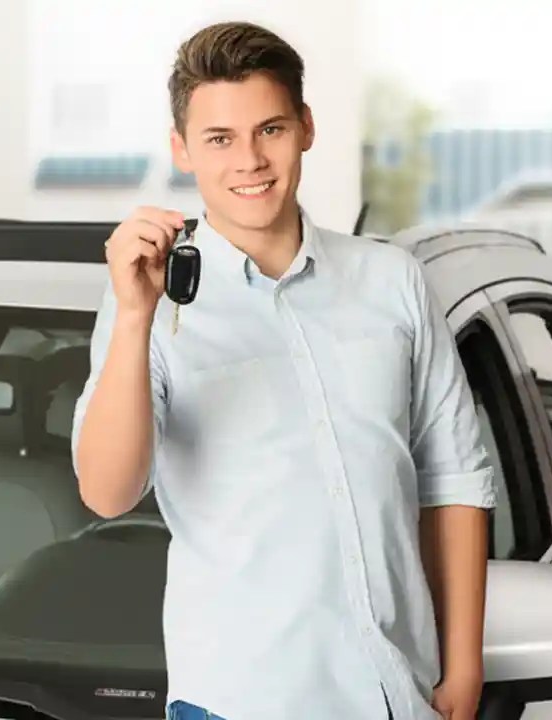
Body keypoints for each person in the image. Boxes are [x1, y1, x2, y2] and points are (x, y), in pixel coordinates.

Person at [69, 20, 496, 720]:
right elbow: (108, 492)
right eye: (219, 139)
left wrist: (464, 671)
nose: (249, 161)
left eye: (269, 129)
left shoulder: (392, 281)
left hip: (400, 696)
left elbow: (453, 475)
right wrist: (136, 316)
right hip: (240, 703)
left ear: (305, 127)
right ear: (182, 150)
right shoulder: (143, 305)